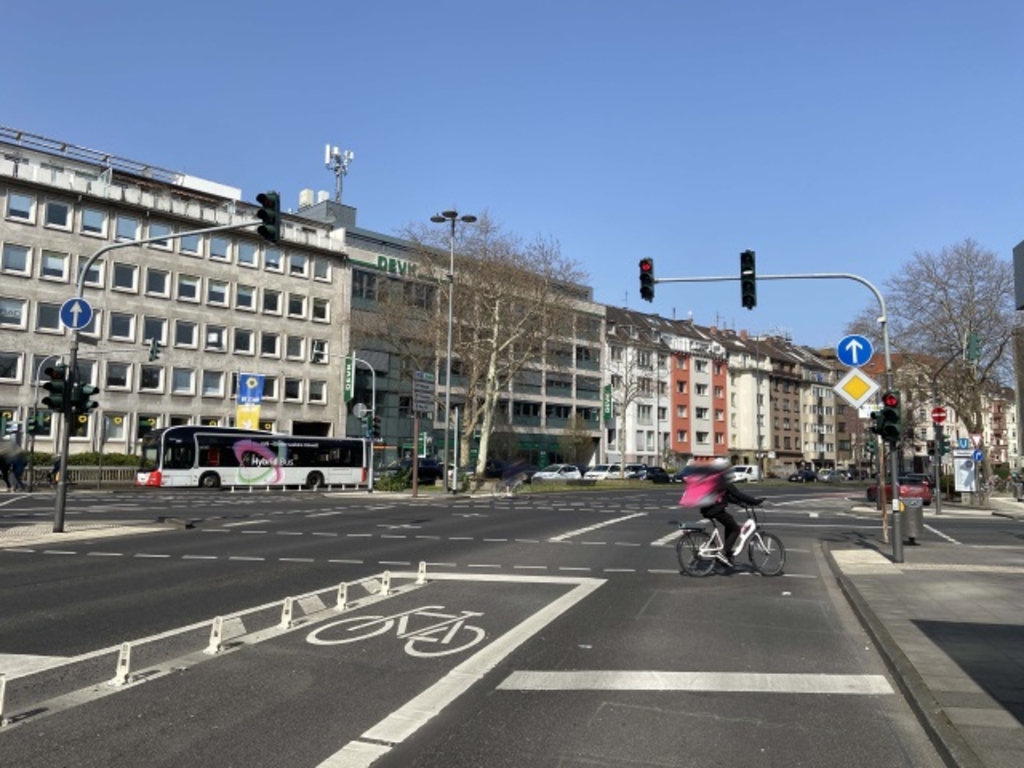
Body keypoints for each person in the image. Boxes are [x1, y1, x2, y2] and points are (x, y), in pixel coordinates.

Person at [697, 459, 764, 568]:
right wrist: (754, 501)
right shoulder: (722, 480)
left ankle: (727, 553)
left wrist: (740, 503)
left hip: (710, 509)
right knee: (735, 529)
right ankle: (723, 553)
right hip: (715, 510)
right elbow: (737, 494)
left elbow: (727, 496)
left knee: (729, 523)